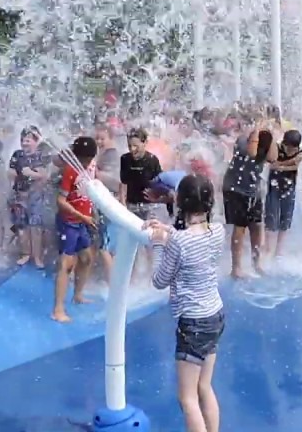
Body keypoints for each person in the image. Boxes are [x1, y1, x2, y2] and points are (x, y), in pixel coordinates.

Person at [146, 174, 224, 432]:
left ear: (180, 201)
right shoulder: (218, 230)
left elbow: (159, 280)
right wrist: (169, 232)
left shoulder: (179, 242)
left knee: (187, 398)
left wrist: (158, 244)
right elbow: (194, 240)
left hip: (193, 322)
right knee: (204, 387)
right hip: (215, 314)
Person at [221, 116, 275, 278]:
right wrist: (257, 131)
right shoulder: (243, 141)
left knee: (256, 225)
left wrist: (270, 136)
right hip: (235, 189)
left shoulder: (265, 142)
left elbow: (272, 158)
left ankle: (256, 263)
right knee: (240, 226)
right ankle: (236, 268)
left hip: (253, 189)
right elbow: (252, 153)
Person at [51, 136, 98, 323]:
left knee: (86, 258)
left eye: (89, 159)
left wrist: (92, 211)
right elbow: (60, 201)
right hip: (69, 222)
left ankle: (78, 294)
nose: (87, 163)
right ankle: (58, 309)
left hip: (83, 221)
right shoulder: (70, 170)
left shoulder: (92, 167)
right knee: (66, 265)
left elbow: (93, 189)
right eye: (83, 159)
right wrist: (82, 216)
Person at [119, 127, 164, 276]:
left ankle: (152, 272)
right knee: (133, 240)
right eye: (129, 145)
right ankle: (135, 272)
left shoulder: (152, 160)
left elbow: (160, 182)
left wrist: (156, 195)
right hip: (132, 205)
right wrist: (122, 202)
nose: (132, 149)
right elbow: (123, 182)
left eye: (136, 146)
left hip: (149, 205)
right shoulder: (125, 159)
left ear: (144, 143)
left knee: (149, 239)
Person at [8, 128, 52, 266]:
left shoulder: (41, 156)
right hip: (20, 195)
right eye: (23, 140)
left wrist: (31, 173)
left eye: (28, 140)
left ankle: (37, 256)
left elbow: (46, 176)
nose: (24, 143)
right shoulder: (17, 154)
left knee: (36, 226)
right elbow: (11, 171)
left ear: (36, 141)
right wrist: (11, 174)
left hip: (36, 196)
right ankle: (25, 253)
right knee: (22, 226)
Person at [264, 129, 302, 261]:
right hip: (274, 187)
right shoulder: (276, 147)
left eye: (293, 148)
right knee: (271, 215)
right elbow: (271, 164)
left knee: (286, 218)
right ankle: (268, 249)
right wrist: (287, 165)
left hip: (289, 187)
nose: (291, 151)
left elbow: (295, 164)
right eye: (289, 148)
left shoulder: (299, 150)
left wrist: (281, 166)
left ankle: (279, 251)